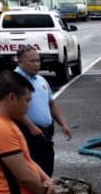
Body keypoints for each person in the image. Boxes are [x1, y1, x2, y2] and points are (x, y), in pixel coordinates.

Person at [13, 45, 72, 177]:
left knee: (47, 170)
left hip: (46, 133)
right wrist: (31, 127)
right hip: (28, 133)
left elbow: (51, 104)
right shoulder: (14, 81)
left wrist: (63, 124)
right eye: (32, 61)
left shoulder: (41, 80)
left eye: (38, 60)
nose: (36, 64)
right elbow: (14, 109)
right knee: (34, 172)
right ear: (20, 61)